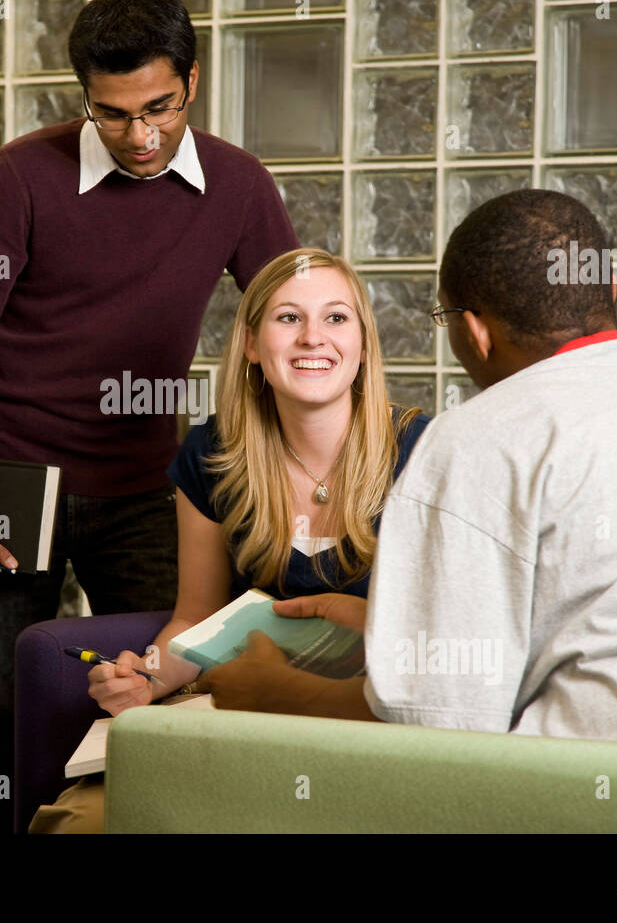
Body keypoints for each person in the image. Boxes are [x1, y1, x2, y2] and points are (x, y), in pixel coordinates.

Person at [199, 190, 617, 740]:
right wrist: (389, 628)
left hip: (594, 785)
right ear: (607, 287)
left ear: (475, 332)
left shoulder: (473, 440)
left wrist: (277, 692)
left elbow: (438, 726)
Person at [0, 0, 298, 830]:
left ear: (191, 83)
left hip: (142, 485)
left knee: (175, 674)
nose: (141, 135)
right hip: (8, 480)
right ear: (86, 97)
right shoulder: (22, 173)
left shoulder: (236, 184)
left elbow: (292, 316)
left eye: (158, 108)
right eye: (113, 114)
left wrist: (283, 469)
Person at [28, 247, 430, 832]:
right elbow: (196, 617)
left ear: (364, 344)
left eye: (336, 318)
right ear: (250, 344)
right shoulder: (213, 453)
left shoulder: (426, 451)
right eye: (288, 318)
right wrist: (144, 677)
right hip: (247, 714)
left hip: (370, 721)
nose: (313, 338)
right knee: (83, 820)